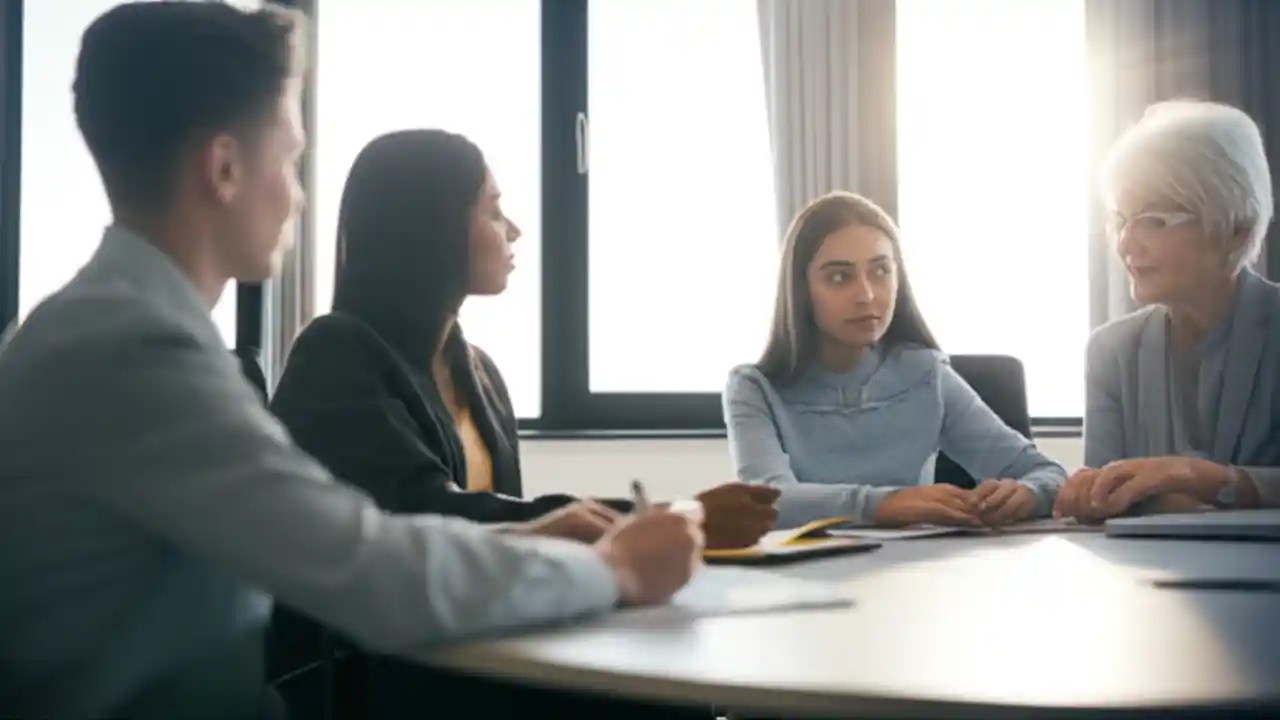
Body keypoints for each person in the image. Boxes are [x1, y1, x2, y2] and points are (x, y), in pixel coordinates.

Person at [0, 4, 701, 718]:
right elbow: (367, 569)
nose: (299, 198)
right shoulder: (133, 354)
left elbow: (334, 541)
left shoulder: (107, 332)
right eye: (291, 160)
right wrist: (610, 567)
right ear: (225, 167)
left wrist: (532, 542)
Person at [270, 129, 779, 549]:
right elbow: (427, 514)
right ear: (430, 226)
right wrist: (671, 520)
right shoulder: (335, 354)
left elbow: (512, 527)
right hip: (371, 659)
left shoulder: (480, 372)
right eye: (492, 210)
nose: (512, 229)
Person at [724, 191, 1067, 529]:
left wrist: (1028, 494)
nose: (867, 295)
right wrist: (885, 504)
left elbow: (1048, 473)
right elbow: (766, 503)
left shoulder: (927, 375)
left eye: (880, 271)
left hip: (914, 577)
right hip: (805, 579)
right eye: (840, 277)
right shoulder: (754, 389)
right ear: (801, 290)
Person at [1054, 100, 1280, 523]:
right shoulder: (1111, 350)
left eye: (1154, 220)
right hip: (1145, 577)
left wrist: (1198, 477)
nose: (1125, 244)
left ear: (1235, 231)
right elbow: (1106, 497)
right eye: (1122, 220)